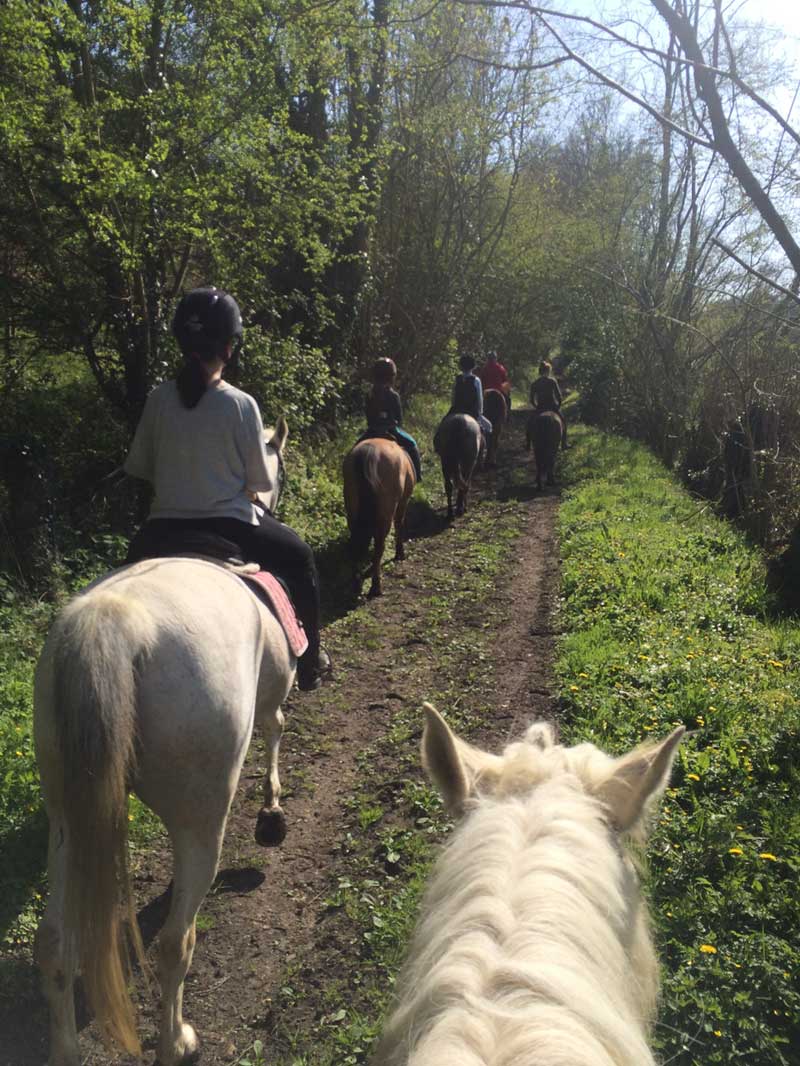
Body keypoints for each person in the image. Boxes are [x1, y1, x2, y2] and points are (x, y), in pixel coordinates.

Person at [124, 286, 331, 691]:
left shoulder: (158, 399)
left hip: (162, 528)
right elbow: (260, 482)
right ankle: (310, 663)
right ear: (229, 347)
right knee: (301, 557)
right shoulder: (240, 404)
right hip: (230, 526)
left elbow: (141, 468)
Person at [361, 357, 422, 480]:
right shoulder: (393, 395)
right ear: (391, 376)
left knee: (354, 448)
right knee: (412, 445)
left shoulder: (370, 394)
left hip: (372, 430)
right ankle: (417, 475)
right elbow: (399, 419)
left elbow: (368, 415)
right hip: (391, 429)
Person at [449, 354, 493, 441]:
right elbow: (479, 399)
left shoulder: (457, 379)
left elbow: (453, 397)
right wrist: (480, 413)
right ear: (473, 367)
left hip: (457, 410)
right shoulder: (476, 380)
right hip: (472, 411)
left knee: (441, 425)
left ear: (461, 367)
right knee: (489, 427)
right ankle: (484, 450)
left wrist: (453, 407)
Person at [529, 359, 567, 448]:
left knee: (530, 424)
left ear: (540, 371)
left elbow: (531, 399)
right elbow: (559, 396)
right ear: (548, 371)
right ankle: (564, 444)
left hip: (541, 407)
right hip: (552, 406)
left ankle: (528, 443)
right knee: (563, 422)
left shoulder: (535, 383)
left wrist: (536, 406)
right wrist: (558, 406)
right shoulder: (552, 381)